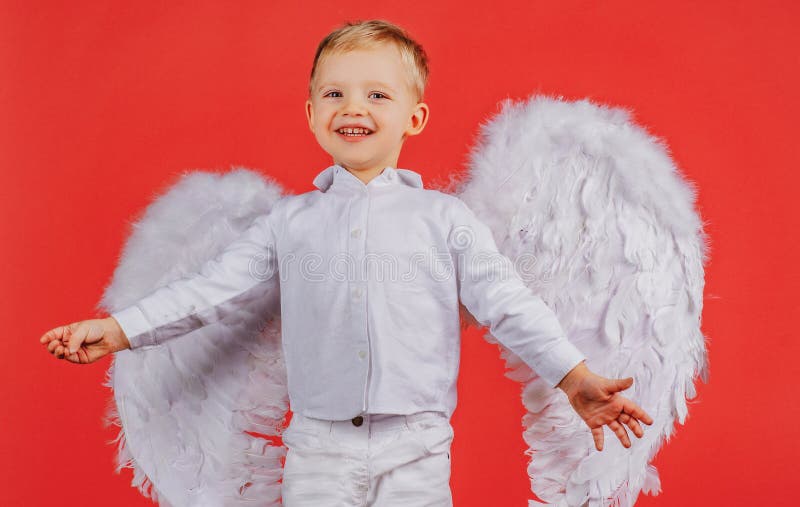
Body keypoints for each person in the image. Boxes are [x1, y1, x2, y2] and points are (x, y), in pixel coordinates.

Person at [40, 19, 652, 506]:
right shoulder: (289, 223)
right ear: (311, 115)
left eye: (376, 94)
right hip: (317, 447)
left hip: (416, 446)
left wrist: (574, 377)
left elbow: (510, 307)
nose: (351, 107)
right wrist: (120, 329)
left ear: (413, 118)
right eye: (333, 93)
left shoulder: (444, 219)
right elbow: (208, 292)